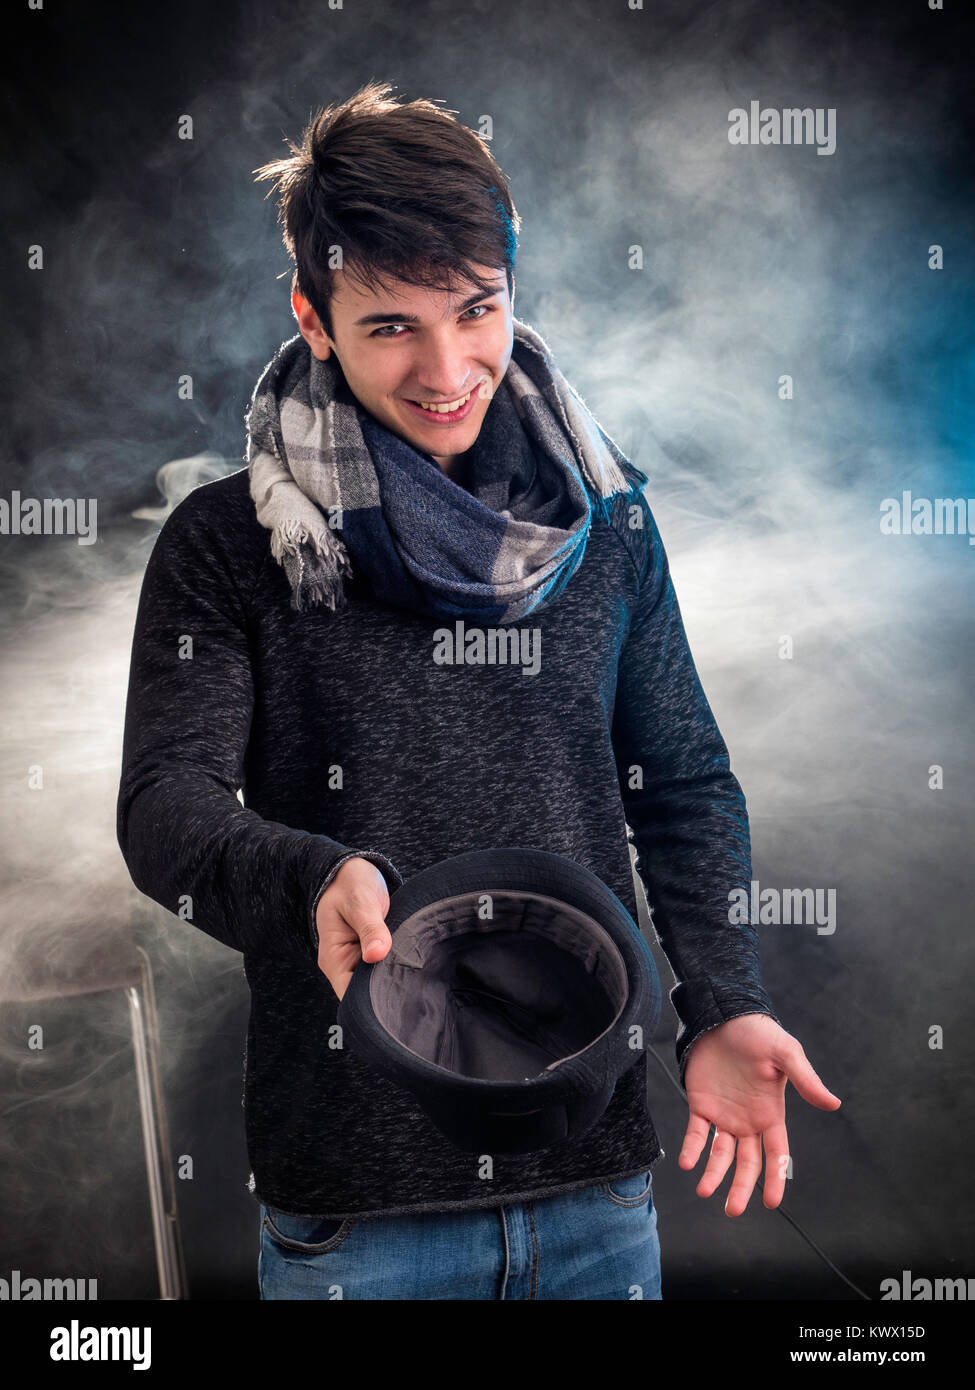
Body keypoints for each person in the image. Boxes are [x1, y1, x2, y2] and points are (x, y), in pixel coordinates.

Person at [116, 80, 841, 1301]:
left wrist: (721, 1002)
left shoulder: (604, 520)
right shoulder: (231, 540)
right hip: (358, 1215)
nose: (449, 368)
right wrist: (309, 878)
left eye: (476, 309)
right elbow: (164, 807)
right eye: (391, 324)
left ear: (511, 291)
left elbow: (683, 784)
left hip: (597, 1195)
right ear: (314, 315)